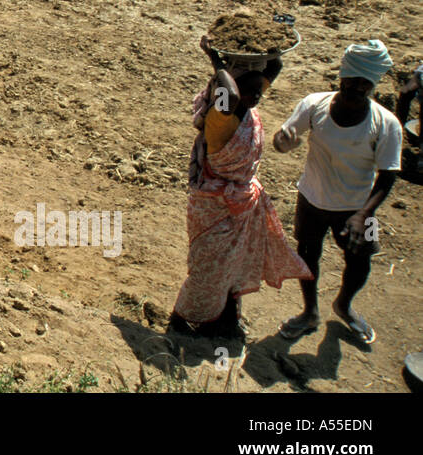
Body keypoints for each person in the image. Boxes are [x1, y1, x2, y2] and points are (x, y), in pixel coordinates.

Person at [170, 38, 310, 338]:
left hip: (239, 202)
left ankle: (224, 319)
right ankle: (181, 322)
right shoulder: (221, 115)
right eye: (251, 89)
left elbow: (274, 66)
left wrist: (275, 40)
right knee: (208, 271)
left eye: (260, 89)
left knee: (232, 267)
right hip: (215, 205)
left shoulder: (244, 104)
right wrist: (217, 62)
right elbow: (231, 93)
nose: (257, 95)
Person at [274, 41, 403, 345]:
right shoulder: (315, 105)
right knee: (308, 254)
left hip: (360, 207)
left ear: (373, 85)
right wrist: (285, 141)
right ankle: (310, 312)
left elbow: (387, 177)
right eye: (352, 81)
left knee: (362, 260)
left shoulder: (387, 125)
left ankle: (344, 305)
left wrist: (364, 214)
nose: (357, 88)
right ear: (341, 76)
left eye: (365, 84)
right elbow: (281, 142)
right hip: (312, 198)